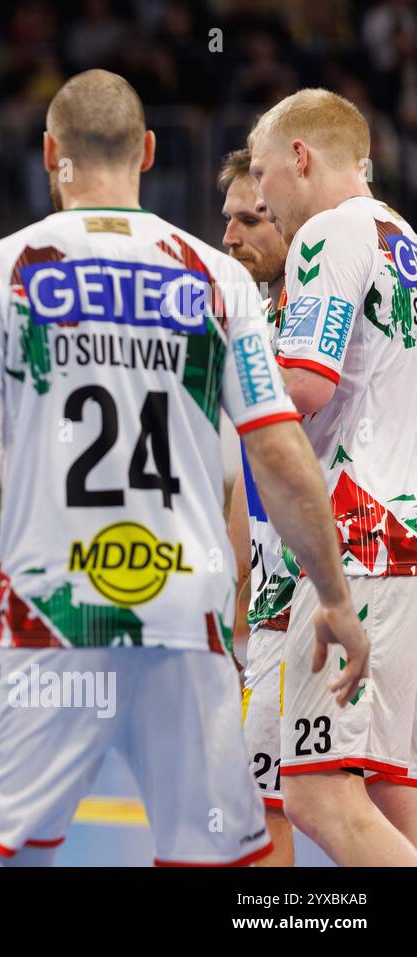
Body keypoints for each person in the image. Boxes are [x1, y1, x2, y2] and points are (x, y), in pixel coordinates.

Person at [0, 69, 375, 867]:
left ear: (50, 152)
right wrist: (332, 592)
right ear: (150, 152)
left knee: (11, 851)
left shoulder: (6, 268)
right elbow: (278, 451)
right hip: (184, 614)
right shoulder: (214, 276)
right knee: (219, 858)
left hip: (53, 608)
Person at [249, 88, 417, 865]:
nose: (259, 197)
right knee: (389, 791)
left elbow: (304, 386)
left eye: (261, 173)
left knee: (312, 790)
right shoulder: (400, 236)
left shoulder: (330, 232)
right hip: (401, 533)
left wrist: (213, 380)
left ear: (300, 158)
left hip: (356, 534)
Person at [216, 147, 296, 866]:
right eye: (227, 220)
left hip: (352, 589)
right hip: (280, 605)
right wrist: (230, 591)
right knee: (261, 798)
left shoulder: (324, 320)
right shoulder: (259, 323)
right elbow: (253, 476)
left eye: (251, 219)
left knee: (345, 798)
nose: (231, 237)